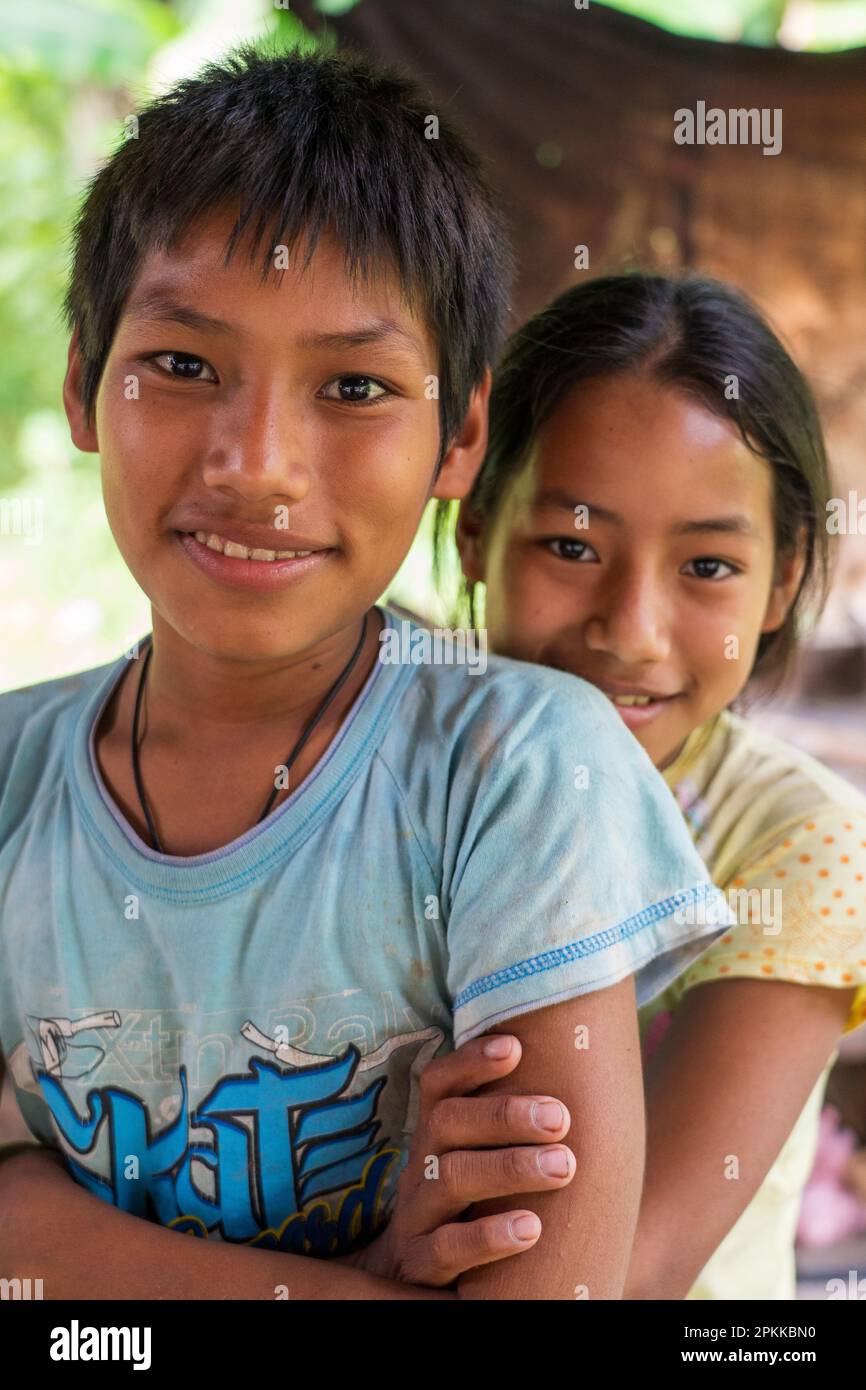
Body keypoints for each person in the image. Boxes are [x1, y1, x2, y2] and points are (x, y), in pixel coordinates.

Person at [0, 53, 727, 1300]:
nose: (258, 464)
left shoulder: (518, 770)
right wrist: (381, 1278)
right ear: (81, 383)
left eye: (354, 387)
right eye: (182, 364)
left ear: (458, 438)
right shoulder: (17, 777)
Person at [419, 271, 866, 1299]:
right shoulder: (384, 775)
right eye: (571, 545)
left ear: (785, 576)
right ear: (477, 530)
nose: (628, 629)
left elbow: (618, 1277)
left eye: (704, 566)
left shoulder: (796, 845)